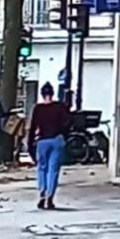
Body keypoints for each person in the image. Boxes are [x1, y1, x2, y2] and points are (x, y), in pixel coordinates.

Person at [29, 84, 70, 213]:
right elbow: (68, 122)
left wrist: (30, 144)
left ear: (42, 94)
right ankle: (50, 196)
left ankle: (42, 190)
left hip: (42, 141)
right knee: (53, 169)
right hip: (56, 140)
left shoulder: (38, 109)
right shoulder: (60, 107)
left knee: (42, 168)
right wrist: (64, 135)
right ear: (53, 93)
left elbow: (32, 127)